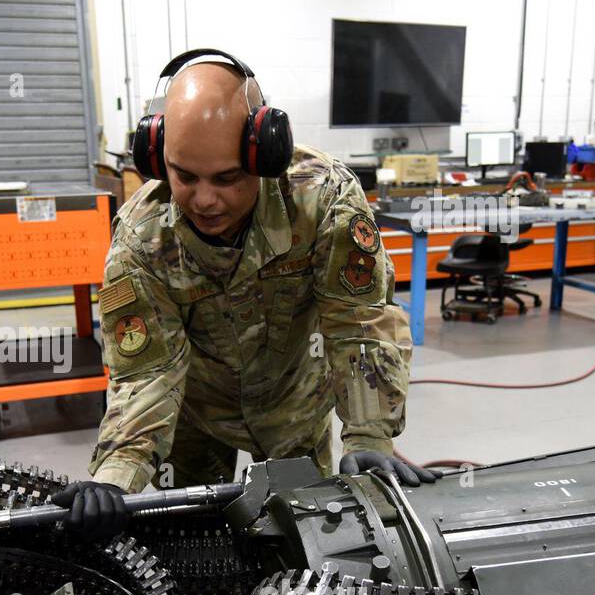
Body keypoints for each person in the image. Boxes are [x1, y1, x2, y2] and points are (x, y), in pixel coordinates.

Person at [57, 51, 436, 539]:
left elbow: (357, 321)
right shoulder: (142, 237)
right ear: (158, 158)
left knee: (311, 544)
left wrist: (369, 435)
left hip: (295, 406)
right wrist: (117, 474)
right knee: (196, 543)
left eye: (227, 178)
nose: (205, 200)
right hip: (193, 415)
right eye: (184, 177)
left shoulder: (322, 199)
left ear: (264, 156)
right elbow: (148, 369)